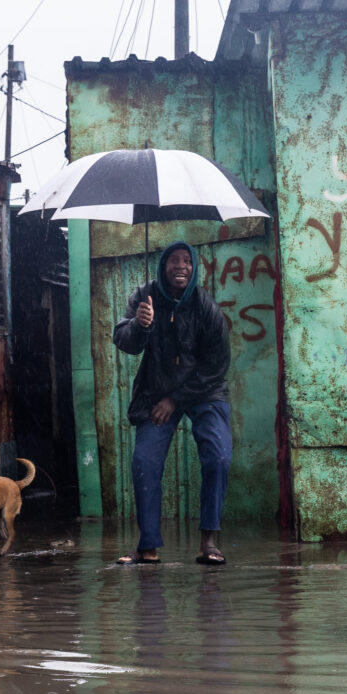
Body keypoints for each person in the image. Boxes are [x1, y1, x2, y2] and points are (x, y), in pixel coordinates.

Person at [111, 241, 232, 565]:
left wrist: (175, 398)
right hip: (157, 389)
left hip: (204, 391)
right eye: (174, 261)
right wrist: (140, 325)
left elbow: (217, 365)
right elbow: (124, 341)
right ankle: (147, 546)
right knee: (144, 462)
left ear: (194, 268)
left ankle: (208, 541)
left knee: (218, 456)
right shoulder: (144, 297)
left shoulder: (205, 306)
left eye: (187, 261)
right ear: (163, 266)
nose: (181, 266)